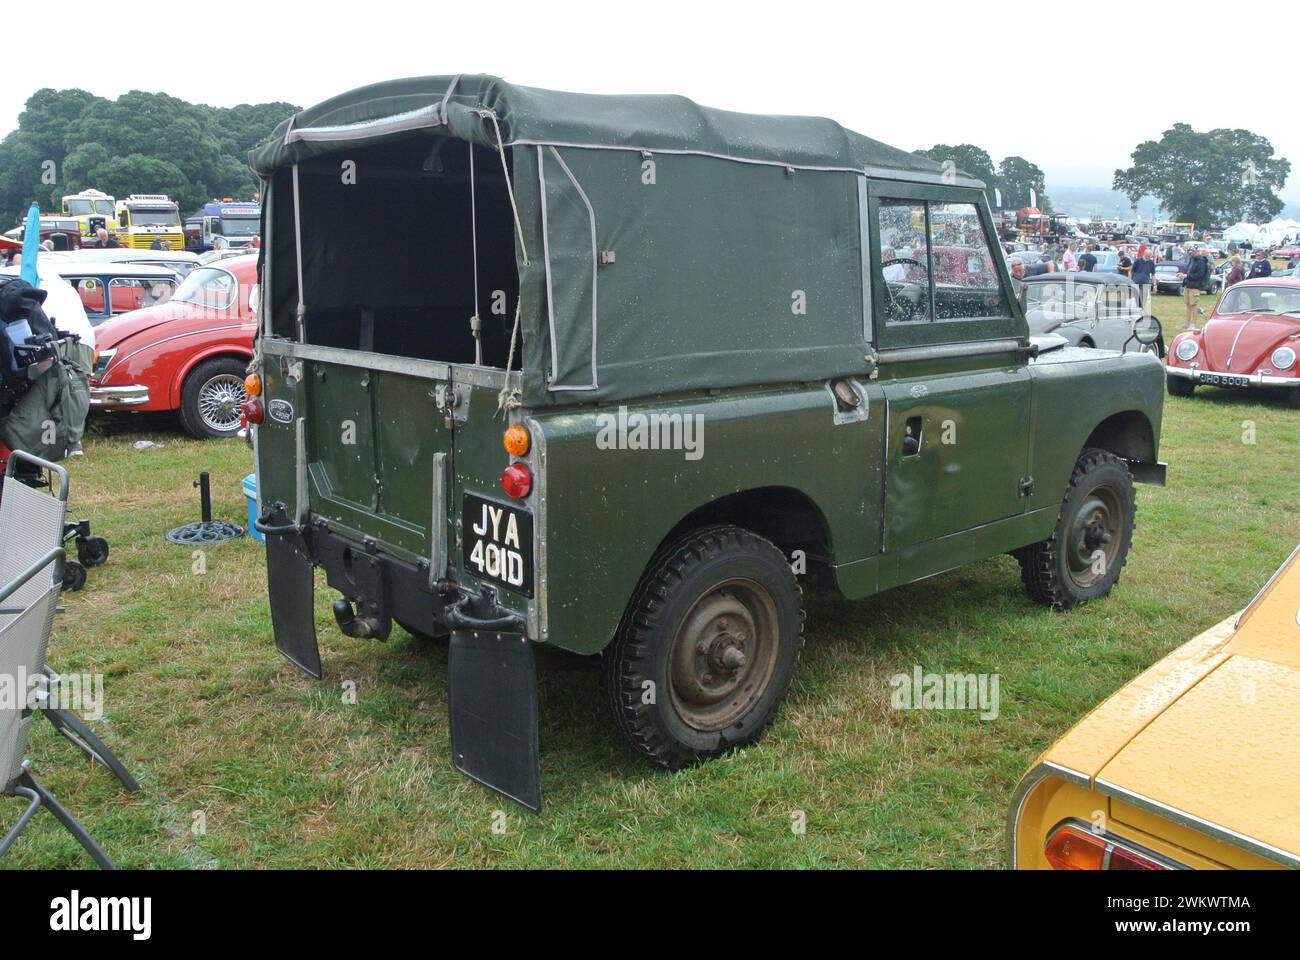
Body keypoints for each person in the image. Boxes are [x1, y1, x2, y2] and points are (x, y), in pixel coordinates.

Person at [1181, 247, 1211, 330]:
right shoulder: (1192, 259)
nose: (1190, 254)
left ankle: (1193, 324)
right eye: (1189, 253)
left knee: (1193, 305)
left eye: (1191, 252)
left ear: (1196, 251)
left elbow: (1200, 275)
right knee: (1187, 304)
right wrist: (1183, 275)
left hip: (1195, 286)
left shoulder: (1201, 261)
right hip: (1188, 284)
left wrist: (1187, 276)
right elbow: (1188, 271)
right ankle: (1187, 323)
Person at [1131, 245, 1156, 314]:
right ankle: (1138, 310)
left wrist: (1154, 285)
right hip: (1136, 281)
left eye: (1150, 256)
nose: (1149, 257)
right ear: (1144, 254)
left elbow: (1153, 274)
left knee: (1143, 298)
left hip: (1145, 282)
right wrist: (1130, 281)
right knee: (1137, 297)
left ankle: (1141, 310)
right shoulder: (1137, 261)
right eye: (1148, 256)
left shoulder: (1151, 262)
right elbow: (1132, 271)